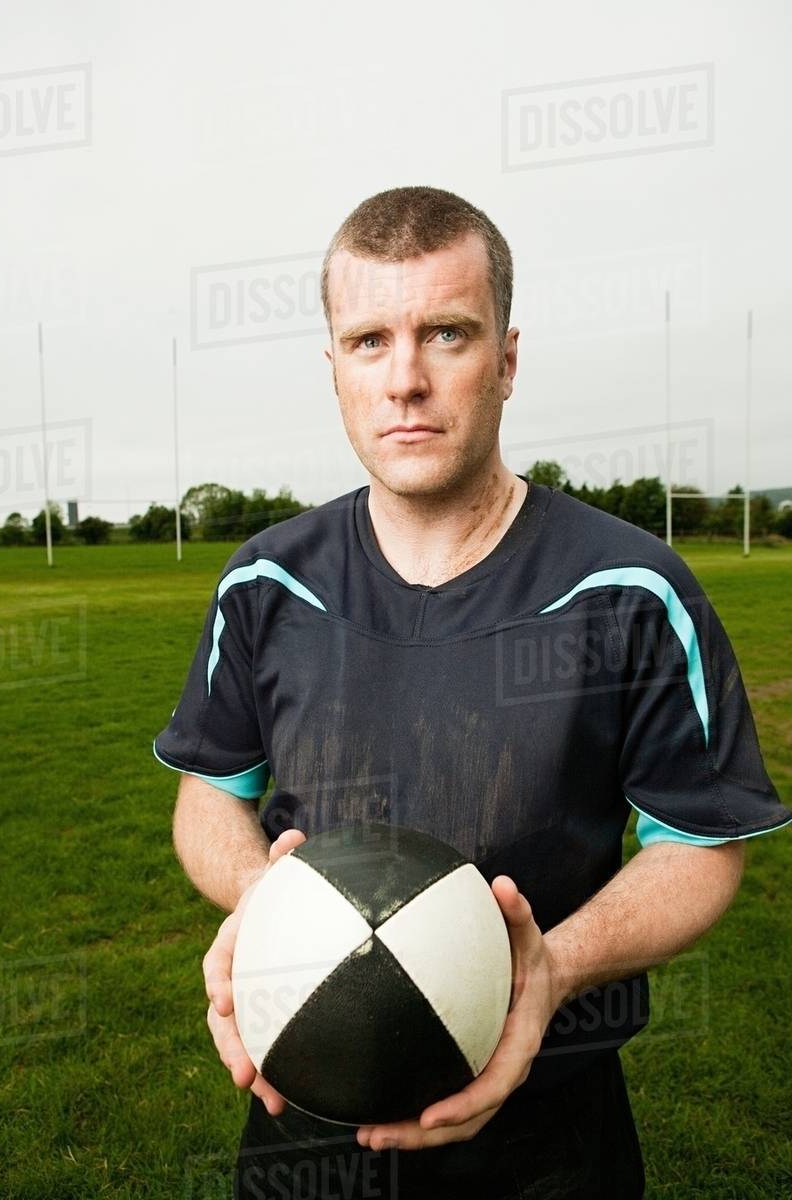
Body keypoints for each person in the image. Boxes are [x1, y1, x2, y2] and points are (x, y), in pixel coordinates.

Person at [153, 186, 791, 1199]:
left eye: (445, 333)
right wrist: (269, 904)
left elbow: (699, 845)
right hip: (305, 1113)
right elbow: (208, 794)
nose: (404, 380)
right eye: (368, 340)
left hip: (549, 1127)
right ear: (334, 371)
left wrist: (546, 970)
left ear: (504, 358)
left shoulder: (630, 589)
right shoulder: (265, 582)